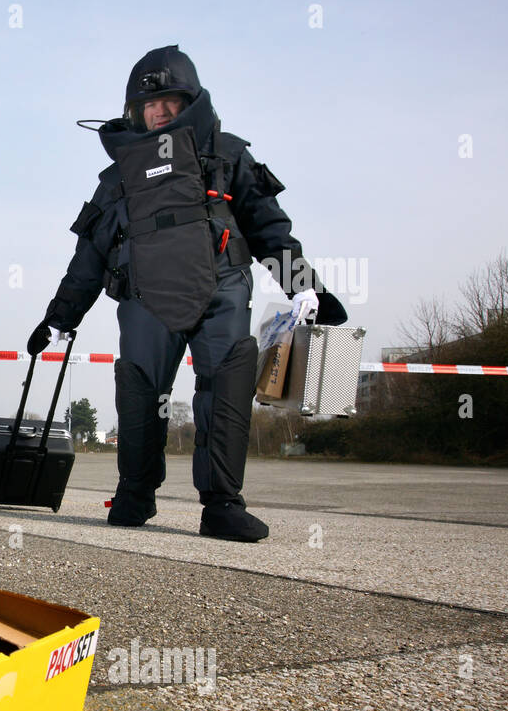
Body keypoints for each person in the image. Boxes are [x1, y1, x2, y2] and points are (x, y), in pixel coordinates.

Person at [28, 45, 346, 542]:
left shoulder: (227, 155)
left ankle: (222, 505)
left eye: (170, 100)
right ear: (134, 110)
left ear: (190, 101)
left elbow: (269, 229)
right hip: (143, 299)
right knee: (139, 395)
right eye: (147, 104)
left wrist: (302, 288)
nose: (159, 110)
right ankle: (134, 495)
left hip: (221, 291)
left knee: (224, 393)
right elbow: (88, 255)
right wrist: (59, 317)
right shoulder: (119, 177)